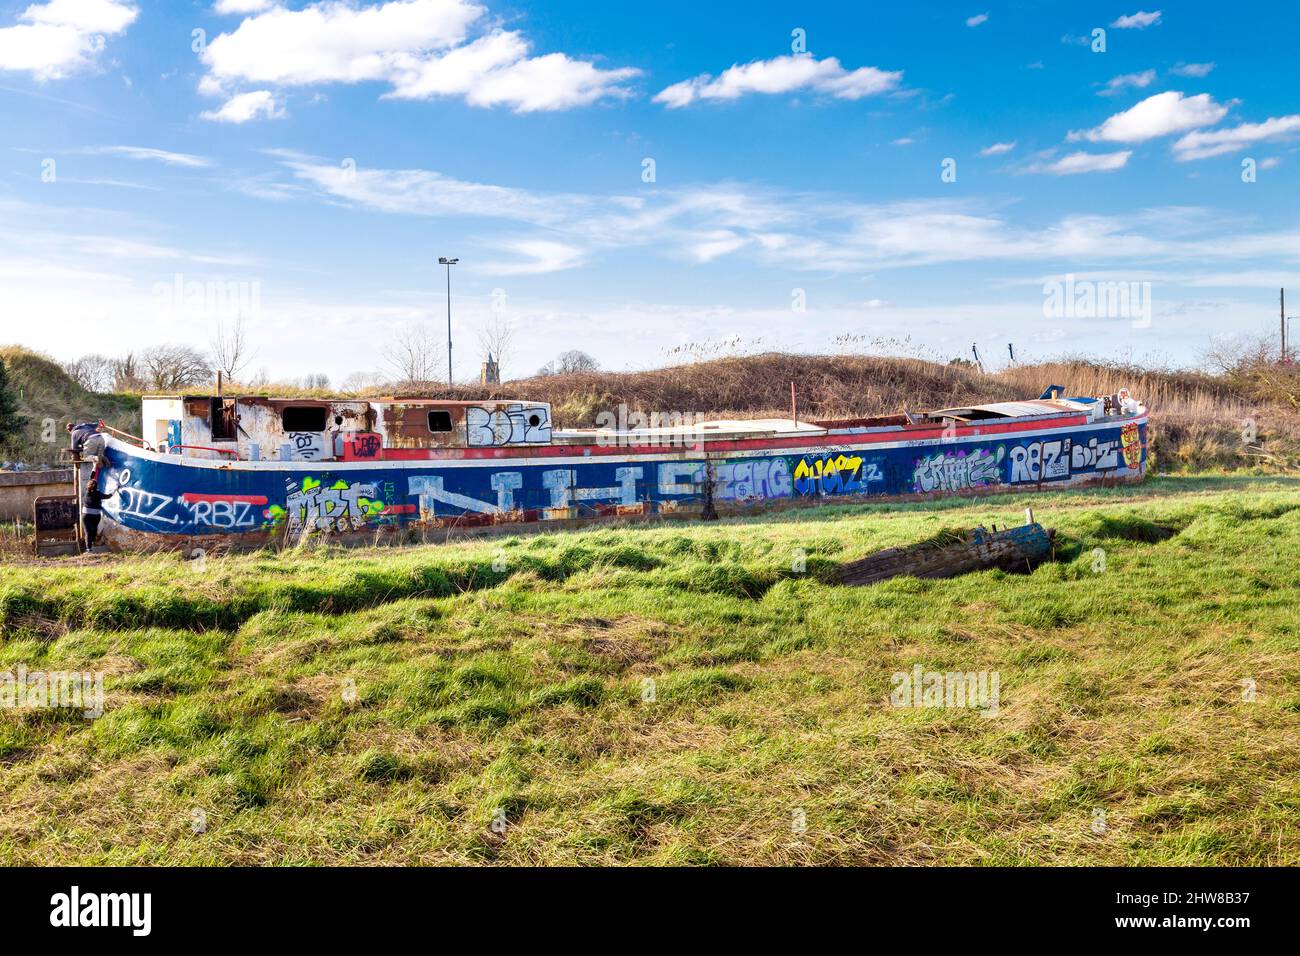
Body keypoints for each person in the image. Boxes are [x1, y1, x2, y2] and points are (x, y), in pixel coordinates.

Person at [82, 478, 114, 551]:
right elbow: (108, 496)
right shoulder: (97, 493)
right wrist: (115, 490)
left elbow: (91, 477)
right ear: (96, 486)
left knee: (89, 532)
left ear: (88, 485)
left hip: (87, 515)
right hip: (95, 515)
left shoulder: (87, 492)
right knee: (92, 531)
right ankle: (90, 546)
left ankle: (89, 547)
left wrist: (94, 469)